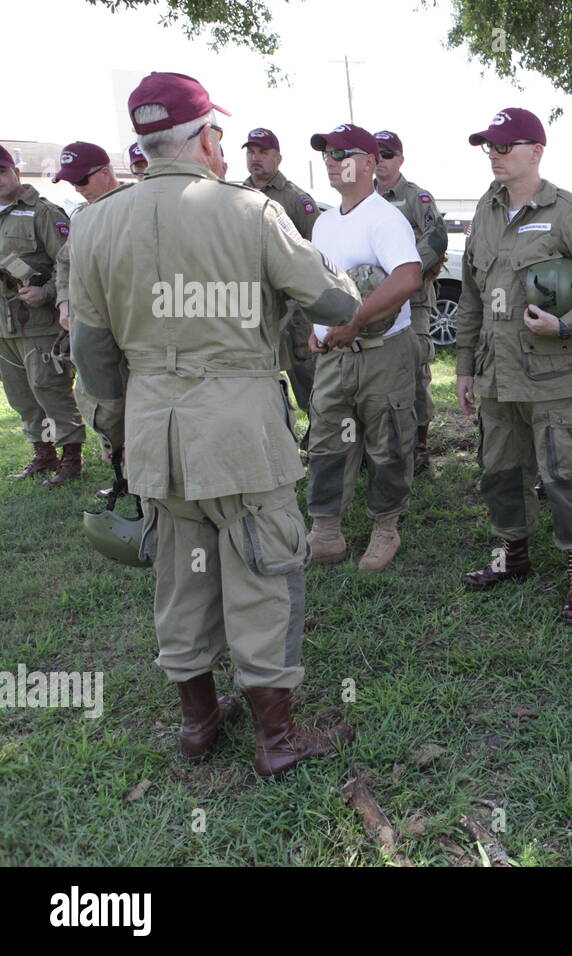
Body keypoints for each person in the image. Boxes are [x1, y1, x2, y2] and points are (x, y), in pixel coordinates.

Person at [69, 72, 361, 777]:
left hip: (156, 436)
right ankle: (277, 739)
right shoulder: (249, 211)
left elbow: (91, 349)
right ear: (203, 138)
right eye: (219, 135)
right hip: (240, 434)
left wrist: (117, 425)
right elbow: (332, 302)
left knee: (182, 575)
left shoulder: (96, 222)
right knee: (264, 570)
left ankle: (198, 725)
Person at [455, 107, 572, 623]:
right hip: (494, 370)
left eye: (504, 147)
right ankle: (514, 556)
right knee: (500, 469)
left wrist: (568, 325)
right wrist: (464, 366)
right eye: (489, 147)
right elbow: (471, 295)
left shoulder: (570, 212)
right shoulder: (486, 210)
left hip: (549, 371)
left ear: (536, 151)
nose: (494, 156)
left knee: (562, 470)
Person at [303, 123, 423, 573]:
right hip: (335, 354)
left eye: (342, 153)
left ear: (370, 163)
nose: (332, 161)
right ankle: (326, 530)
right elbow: (319, 283)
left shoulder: (384, 217)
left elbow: (408, 276)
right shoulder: (324, 221)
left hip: (382, 353)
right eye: (327, 154)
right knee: (328, 441)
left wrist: (355, 322)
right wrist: (313, 328)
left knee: (388, 441)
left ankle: (385, 528)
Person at [0, 145, 84, 487]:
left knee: (50, 390)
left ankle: (71, 459)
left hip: (40, 324)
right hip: (5, 328)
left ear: (16, 172)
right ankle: (44, 453)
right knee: (21, 395)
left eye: (2, 172)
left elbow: (71, 266)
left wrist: (46, 293)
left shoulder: (44, 213)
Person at [373, 130, 449, 473]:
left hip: (413, 299)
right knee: (378, 371)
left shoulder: (415, 198)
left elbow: (436, 238)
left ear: (400, 160)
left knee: (416, 369)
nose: (381, 161)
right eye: (375, 155)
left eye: (388, 154)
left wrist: (404, 273)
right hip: (375, 300)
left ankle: (419, 447)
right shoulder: (364, 197)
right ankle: (382, 444)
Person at [51, 142, 125, 477]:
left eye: (82, 180)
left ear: (107, 173)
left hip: (130, 329)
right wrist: (64, 300)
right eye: (72, 183)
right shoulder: (81, 216)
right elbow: (64, 263)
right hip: (91, 330)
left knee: (130, 403)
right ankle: (121, 472)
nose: (77, 188)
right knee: (98, 401)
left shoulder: (133, 208)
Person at [243, 127, 322, 426]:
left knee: (307, 378)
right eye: (251, 152)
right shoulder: (236, 196)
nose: (256, 158)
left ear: (278, 157)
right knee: (260, 380)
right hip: (252, 307)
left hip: (292, 310)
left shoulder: (296, 200)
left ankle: (324, 438)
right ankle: (279, 437)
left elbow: (315, 253)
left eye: (263, 152)